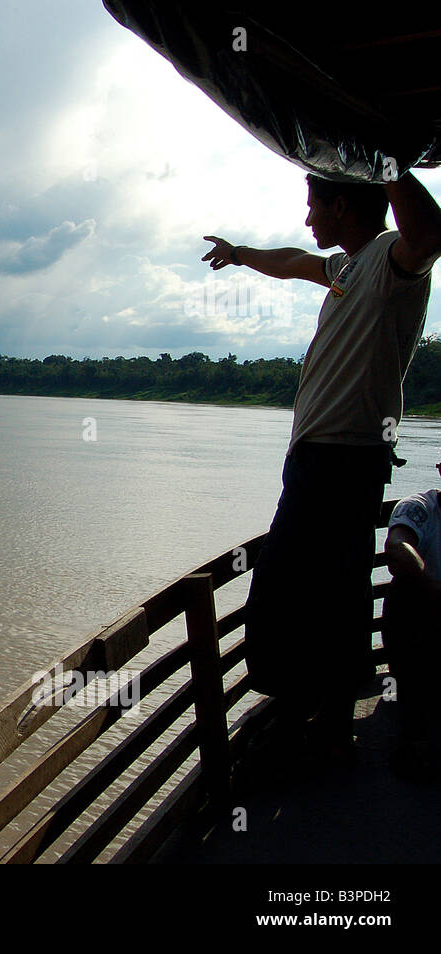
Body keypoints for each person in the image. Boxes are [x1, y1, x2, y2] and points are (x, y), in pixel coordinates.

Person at [201, 170, 441, 764]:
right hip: (322, 457)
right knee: (329, 587)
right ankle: (322, 717)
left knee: (291, 586)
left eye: (314, 208)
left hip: (343, 456)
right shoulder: (347, 269)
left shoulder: (389, 258)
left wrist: (387, 164)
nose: (309, 221)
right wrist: (238, 254)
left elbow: (430, 233)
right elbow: (291, 261)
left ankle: (317, 720)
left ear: (342, 205)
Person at [382, 466, 441, 780]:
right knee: (406, 588)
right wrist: (432, 588)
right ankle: (413, 735)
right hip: (424, 623)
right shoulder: (419, 507)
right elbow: (398, 547)